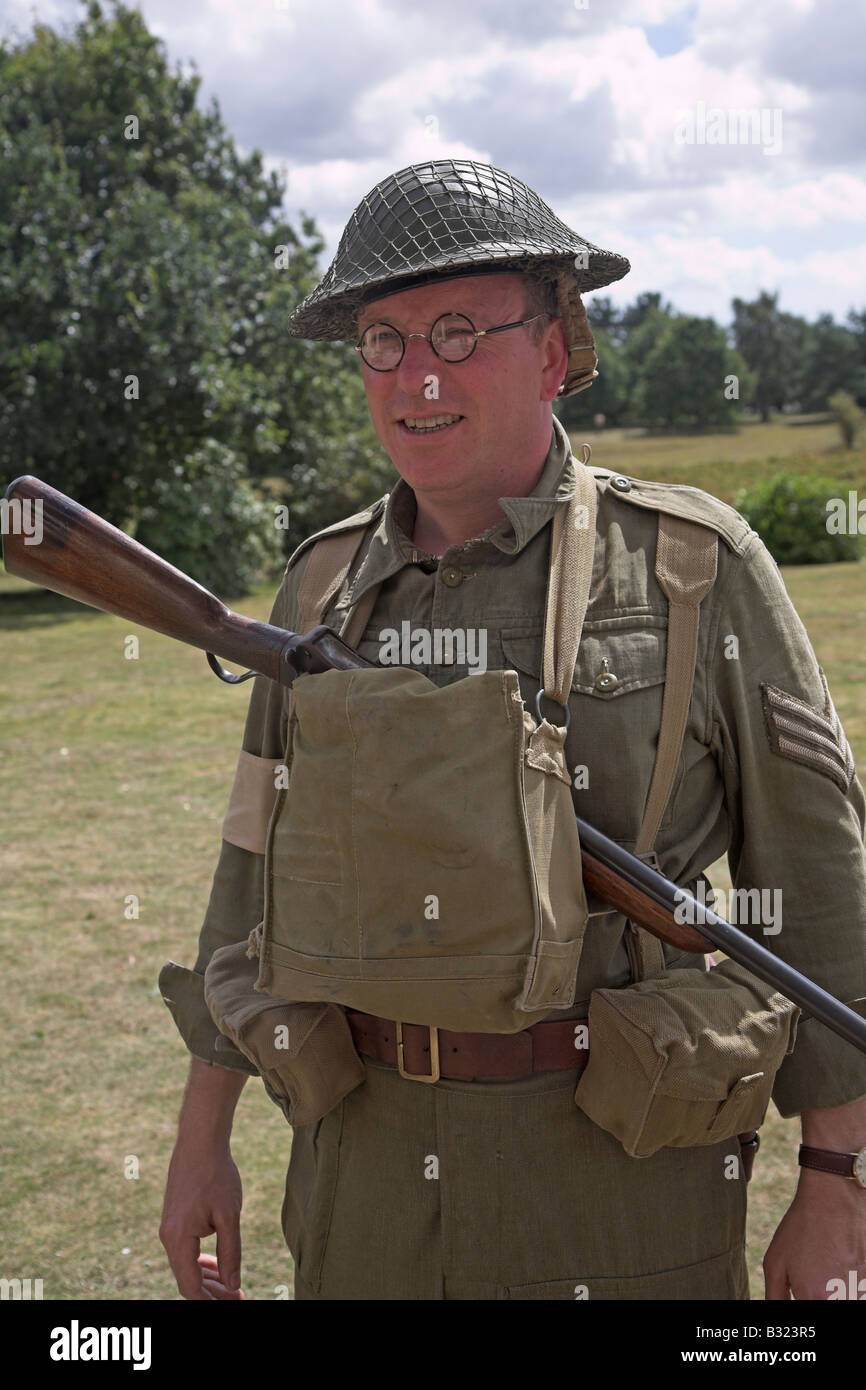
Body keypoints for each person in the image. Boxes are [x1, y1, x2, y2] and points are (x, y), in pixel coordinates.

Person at [159, 160, 866, 1301]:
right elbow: (250, 865)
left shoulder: (692, 568)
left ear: (552, 348)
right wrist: (202, 1135)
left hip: (616, 1189)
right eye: (381, 340)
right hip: (365, 1184)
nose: (415, 374)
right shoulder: (322, 588)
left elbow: (817, 883)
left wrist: (836, 1177)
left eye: (453, 329)